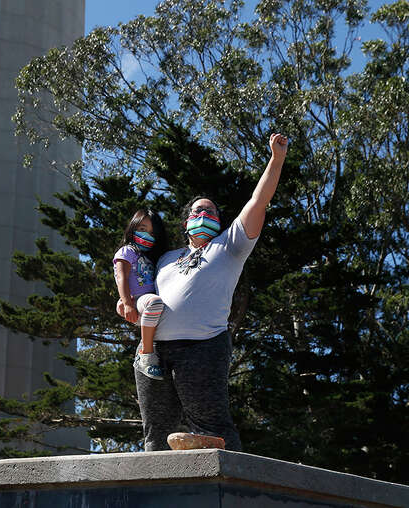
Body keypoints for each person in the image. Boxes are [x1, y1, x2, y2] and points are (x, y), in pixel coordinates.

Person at [119, 133, 290, 451]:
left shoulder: (229, 246)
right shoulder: (166, 258)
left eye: (211, 212)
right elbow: (140, 288)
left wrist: (276, 159)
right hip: (153, 350)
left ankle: (234, 484)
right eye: (197, 212)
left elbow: (258, 202)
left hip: (202, 347)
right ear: (186, 222)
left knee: (212, 424)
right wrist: (126, 302)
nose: (204, 216)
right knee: (156, 433)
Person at [112, 209, 168, 380]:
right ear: (133, 228)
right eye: (142, 229)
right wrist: (127, 302)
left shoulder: (150, 257)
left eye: (152, 232)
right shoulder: (127, 251)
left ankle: (151, 350)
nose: (147, 235)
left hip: (147, 302)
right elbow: (121, 277)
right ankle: (146, 354)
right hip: (136, 300)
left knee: (156, 305)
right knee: (155, 303)